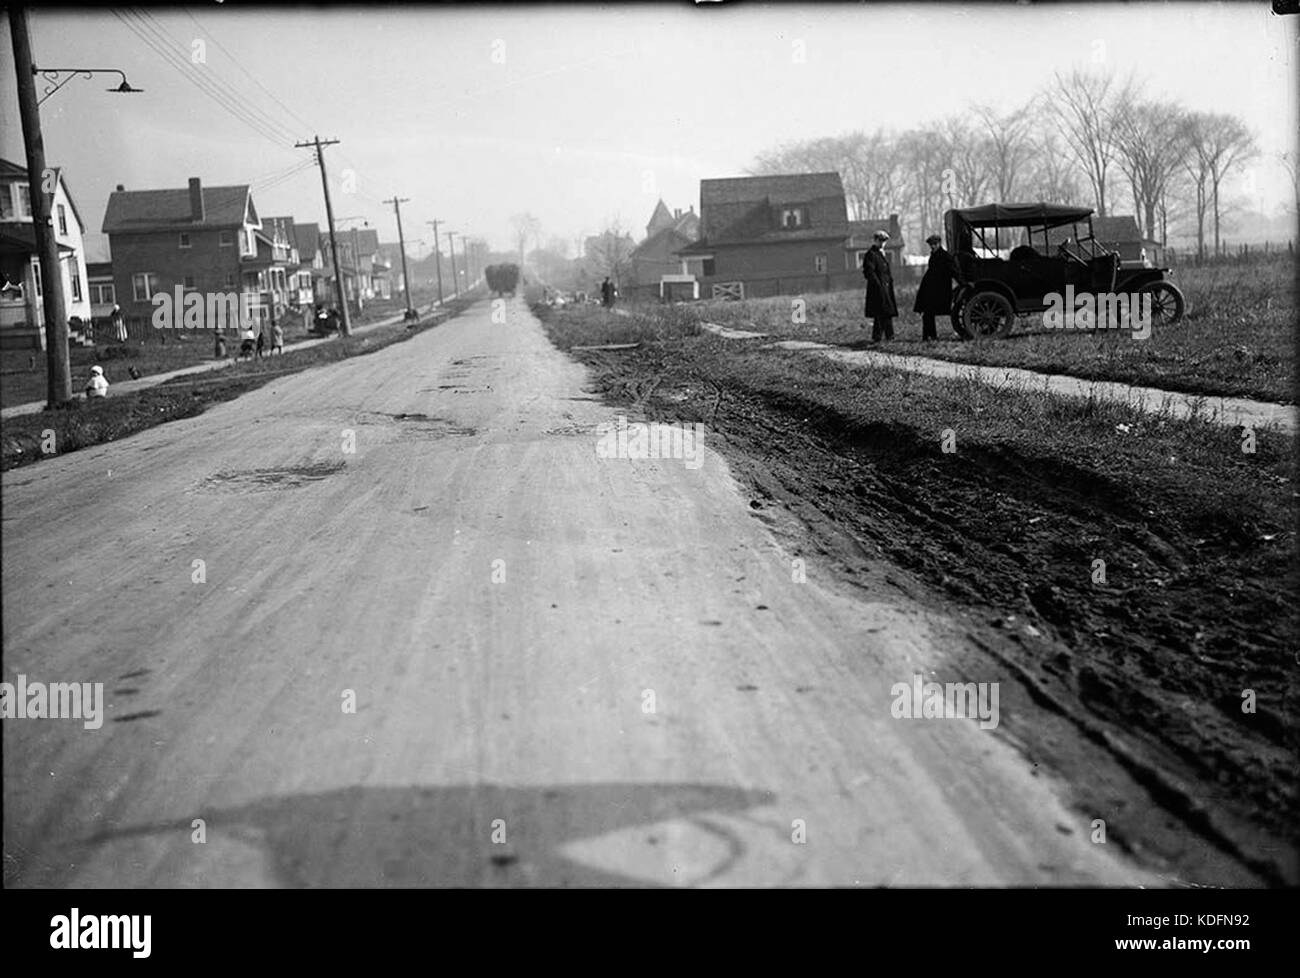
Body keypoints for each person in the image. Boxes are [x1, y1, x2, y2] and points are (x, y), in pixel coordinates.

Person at [914, 233, 963, 342]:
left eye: (935, 244)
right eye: (931, 244)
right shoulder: (933, 255)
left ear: (939, 244)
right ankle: (928, 336)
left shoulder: (945, 256)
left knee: (928, 312)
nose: (932, 246)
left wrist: (962, 283)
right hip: (930, 289)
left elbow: (953, 271)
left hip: (939, 290)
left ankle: (930, 337)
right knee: (927, 313)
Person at [862, 230, 897, 342]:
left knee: (885, 312)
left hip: (886, 288)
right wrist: (878, 285)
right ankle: (882, 337)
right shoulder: (871, 254)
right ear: (875, 240)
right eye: (880, 240)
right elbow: (869, 272)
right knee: (881, 312)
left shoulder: (882, 253)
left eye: (884, 241)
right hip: (877, 289)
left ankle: (886, 337)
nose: (882, 243)